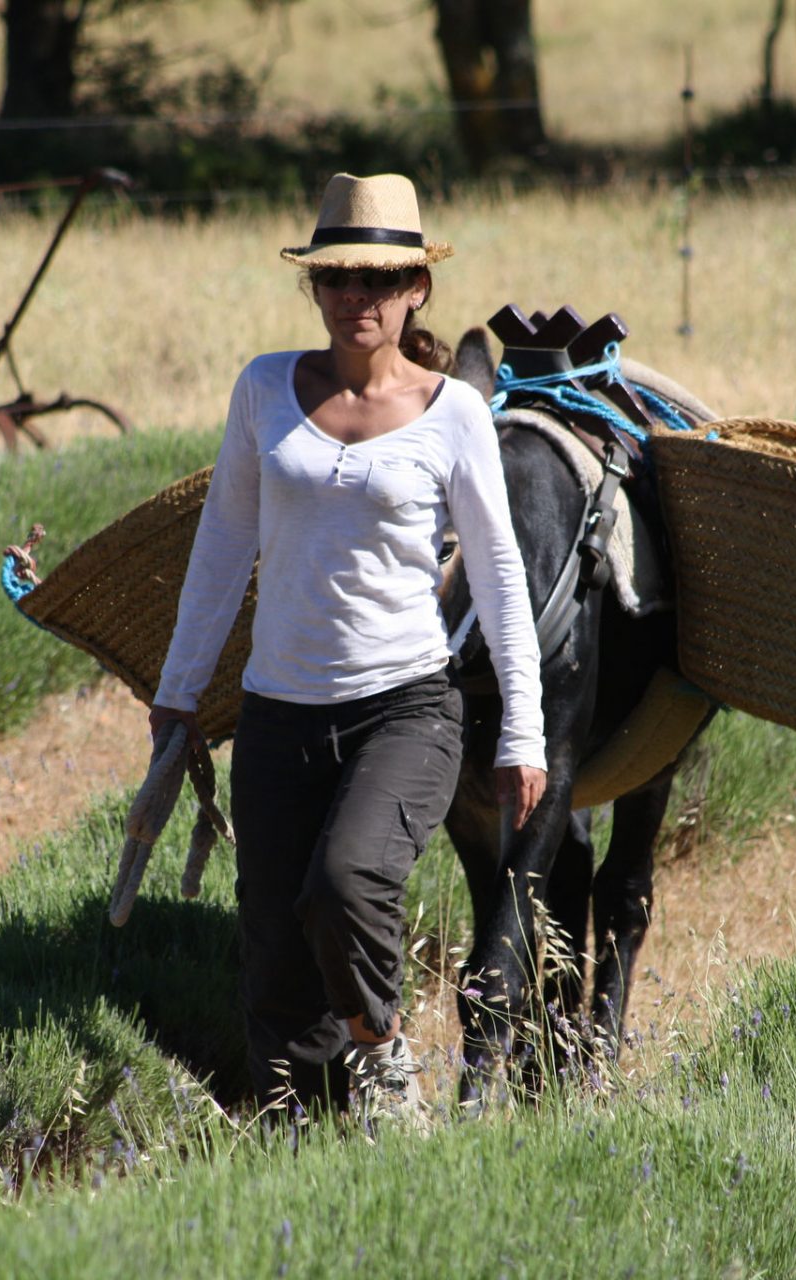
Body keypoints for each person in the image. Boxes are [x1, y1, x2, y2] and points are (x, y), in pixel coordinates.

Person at [150, 172, 546, 1129]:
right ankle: (313, 1167)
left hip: (404, 708)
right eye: (337, 278)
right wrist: (178, 694)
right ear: (313, 289)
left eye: (378, 278)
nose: (356, 297)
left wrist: (523, 732)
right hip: (278, 716)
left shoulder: (453, 413)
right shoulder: (262, 390)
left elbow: (497, 577)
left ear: (415, 289)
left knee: (344, 882)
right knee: (278, 980)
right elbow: (220, 547)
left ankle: (385, 1063)